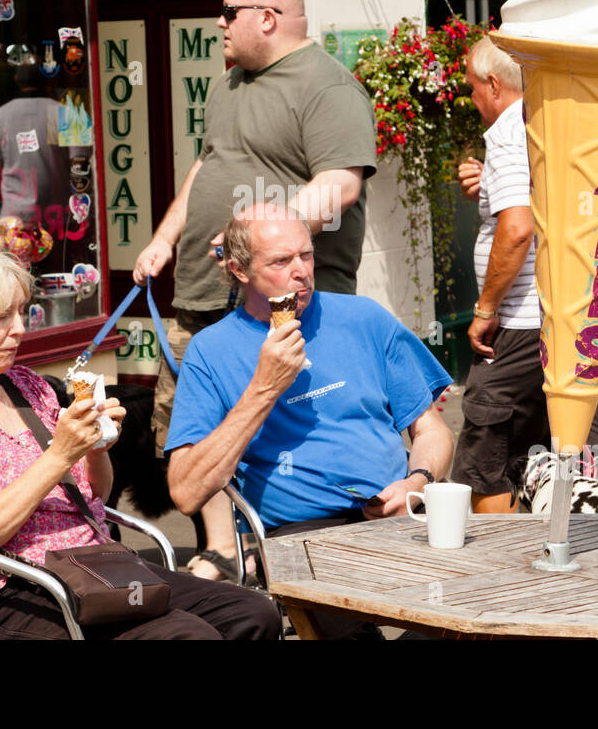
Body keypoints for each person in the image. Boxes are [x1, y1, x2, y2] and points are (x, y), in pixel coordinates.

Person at [0, 244, 279, 640]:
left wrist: (95, 447)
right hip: (8, 592)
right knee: (188, 636)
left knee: (253, 611)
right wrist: (60, 454)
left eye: (21, 312)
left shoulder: (24, 385)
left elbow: (96, 496)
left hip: (92, 567)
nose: (20, 328)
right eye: (2, 317)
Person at [132, 0, 377, 581]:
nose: (218, 23)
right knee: (196, 431)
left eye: (228, 11)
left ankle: (305, 555)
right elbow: (206, 168)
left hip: (280, 305)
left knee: (279, 426)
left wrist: (263, 231)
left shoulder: (327, 87)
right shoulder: (229, 83)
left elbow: (340, 184)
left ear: (265, 17)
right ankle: (221, 550)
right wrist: (162, 240)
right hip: (201, 293)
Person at [165, 207, 454, 636]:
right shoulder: (211, 351)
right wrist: (264, 387)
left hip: (396, 510)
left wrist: (418, 482)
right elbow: (186, 491)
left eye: (306, 255)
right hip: (303, 533)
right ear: (239, 269)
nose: (301, 272)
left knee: (473, 615)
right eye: (281, 262)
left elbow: (432, 430)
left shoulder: (363, 318)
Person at [454, 38, 598, 503]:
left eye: (472, 89)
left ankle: (497, 568)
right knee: (590, 462)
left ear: (493, 84)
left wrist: (485, 308)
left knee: (488, 459)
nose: (471, 101)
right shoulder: (564, 119)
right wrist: (491, 188)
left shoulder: (513, 130)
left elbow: (517, 229)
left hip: (522, 321)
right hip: (588, 313)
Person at [0, 64, 71, 233]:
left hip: (14, 213)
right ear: (47, 79)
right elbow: (79, 162)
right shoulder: (63, 113)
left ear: (16, 80)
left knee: (14, 259)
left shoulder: (0, 115)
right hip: (56, 212)